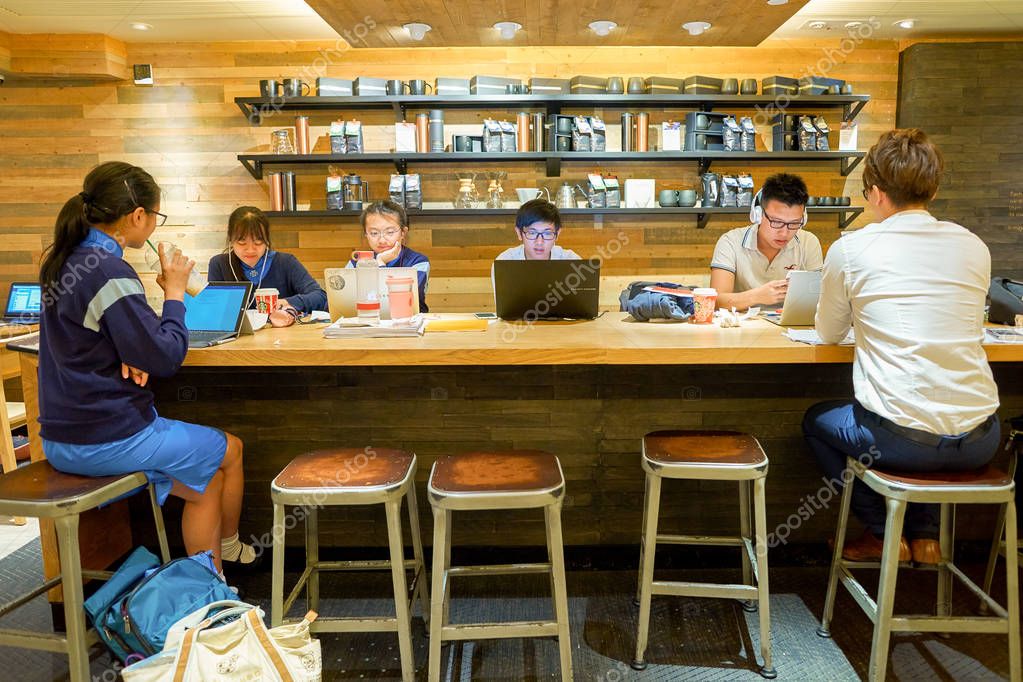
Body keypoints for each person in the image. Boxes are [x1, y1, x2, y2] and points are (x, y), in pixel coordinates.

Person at [37, 161, 259, 576]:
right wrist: (175, 293)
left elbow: (89, 336)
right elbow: (165, 357)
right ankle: (220, 565)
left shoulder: (64, 259)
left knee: (205, 480)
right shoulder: (108, 270)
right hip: (107, 436)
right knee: (229, 450)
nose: (154, 226)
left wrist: (126, 350)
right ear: (138, 216)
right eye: (155, 216)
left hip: (59, 437)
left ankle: (211, 587)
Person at [802, 129, 1001, 564]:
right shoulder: (974, 246)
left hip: (900, 443)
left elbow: (829, 333)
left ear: (874, 192)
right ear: (932, 187)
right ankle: (926, 538)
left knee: (818, 419)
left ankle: (882, 533)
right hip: (983, 438)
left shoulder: (851, 248)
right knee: (925, 411)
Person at [709, 173, 822, 310]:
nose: (785, 233)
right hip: (742, 328)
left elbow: (819, 299)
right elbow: (715, 300)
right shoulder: (730, 242)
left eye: (794, 223)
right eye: (776, 222)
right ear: (757, 214)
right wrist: (757, 296)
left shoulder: (808, 243)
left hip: (792, 328)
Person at [208, 206, 326, 327]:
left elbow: (320, 296)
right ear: (231, 240)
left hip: (282, 338)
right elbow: (212, 308)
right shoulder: (219, 264)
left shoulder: (285, 262)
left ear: (266, 240)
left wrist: (287, 303)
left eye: (258, 242)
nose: (250, 250)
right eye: (242, 242)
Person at [350, 201, 430, 313]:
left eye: (390, 232)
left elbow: (398, 304)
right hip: (367, 324)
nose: (382, 240)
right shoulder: (356, 262)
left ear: (403, 232)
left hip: (408, 324)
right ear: (366, 234)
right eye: (374, 233)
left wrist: (381, 262)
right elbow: (335, 304)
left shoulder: (418, 262)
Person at [496, 199, 581, 261]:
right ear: (519, 233)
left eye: (547, 233)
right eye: (532, 233)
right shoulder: (505, 262)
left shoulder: (571, 261)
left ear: (557, 234)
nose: (539, 242)